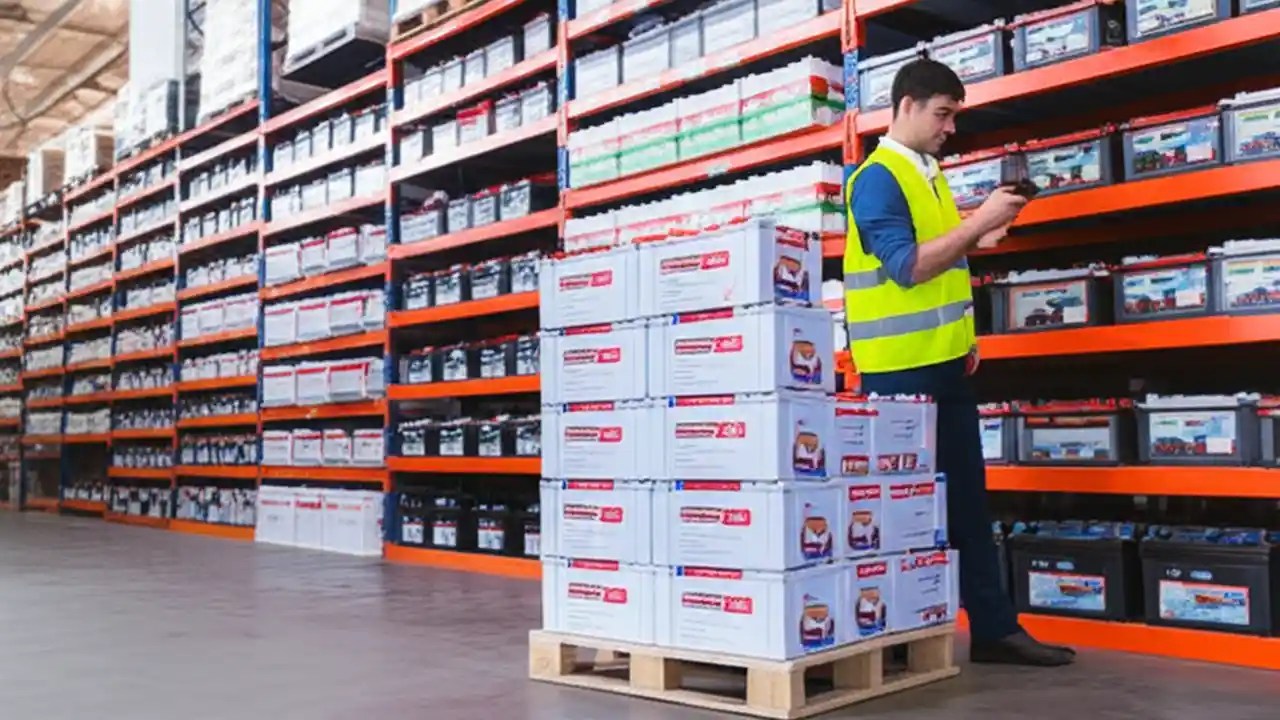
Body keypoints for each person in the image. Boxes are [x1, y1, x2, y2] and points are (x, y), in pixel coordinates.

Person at [843, 58, 1075, 666]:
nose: (951, 127)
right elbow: (907, 266)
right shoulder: (877, 178)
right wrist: (980, 223)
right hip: (898, 377)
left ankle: (995, 628)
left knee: (968, 505)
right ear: (907, 107)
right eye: (943, 114)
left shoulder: (928, 174)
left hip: (943, 366)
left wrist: (966, 324)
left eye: (954, 115)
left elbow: (940, 265)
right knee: (902, 513)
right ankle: (892, 638)